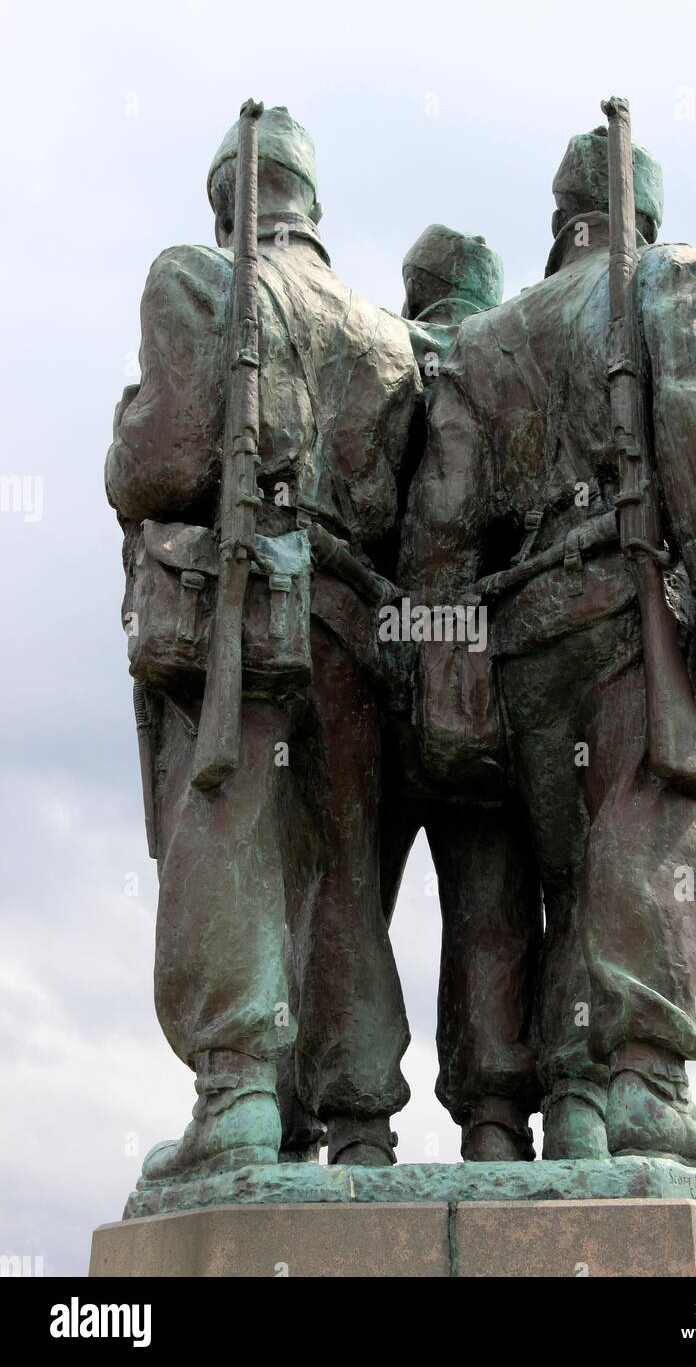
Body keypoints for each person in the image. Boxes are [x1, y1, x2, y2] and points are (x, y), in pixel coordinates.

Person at [401, 124, 696, 1166]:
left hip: (522, 647)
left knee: (555, 878)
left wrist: (448, 668)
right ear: (642, 210)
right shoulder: (667, 276)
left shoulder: (484, 339)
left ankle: (554, 1110)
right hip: (624, 617)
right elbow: (695, 414)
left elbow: (441, 524)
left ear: (559, 219)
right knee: (649, 836)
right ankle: (642, 1080)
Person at [106, 106, 424, 1175]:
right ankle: (362, 1123)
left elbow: (161, 459)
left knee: (226, 846)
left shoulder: (196, 276)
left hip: (241, 614)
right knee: (343, 873)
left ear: (226, 198)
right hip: (354, 629)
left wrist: (120, 443)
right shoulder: (389, 337)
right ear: (312, 205)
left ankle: (240, 1095)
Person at [379, 225, 543, 1160]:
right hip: (488, 679)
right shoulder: (504, 368)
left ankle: (344, 1123)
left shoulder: (375, 353)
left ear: (414, 292)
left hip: (367, 667)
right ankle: (493, 1117)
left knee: (344, 899)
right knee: (494, 901)